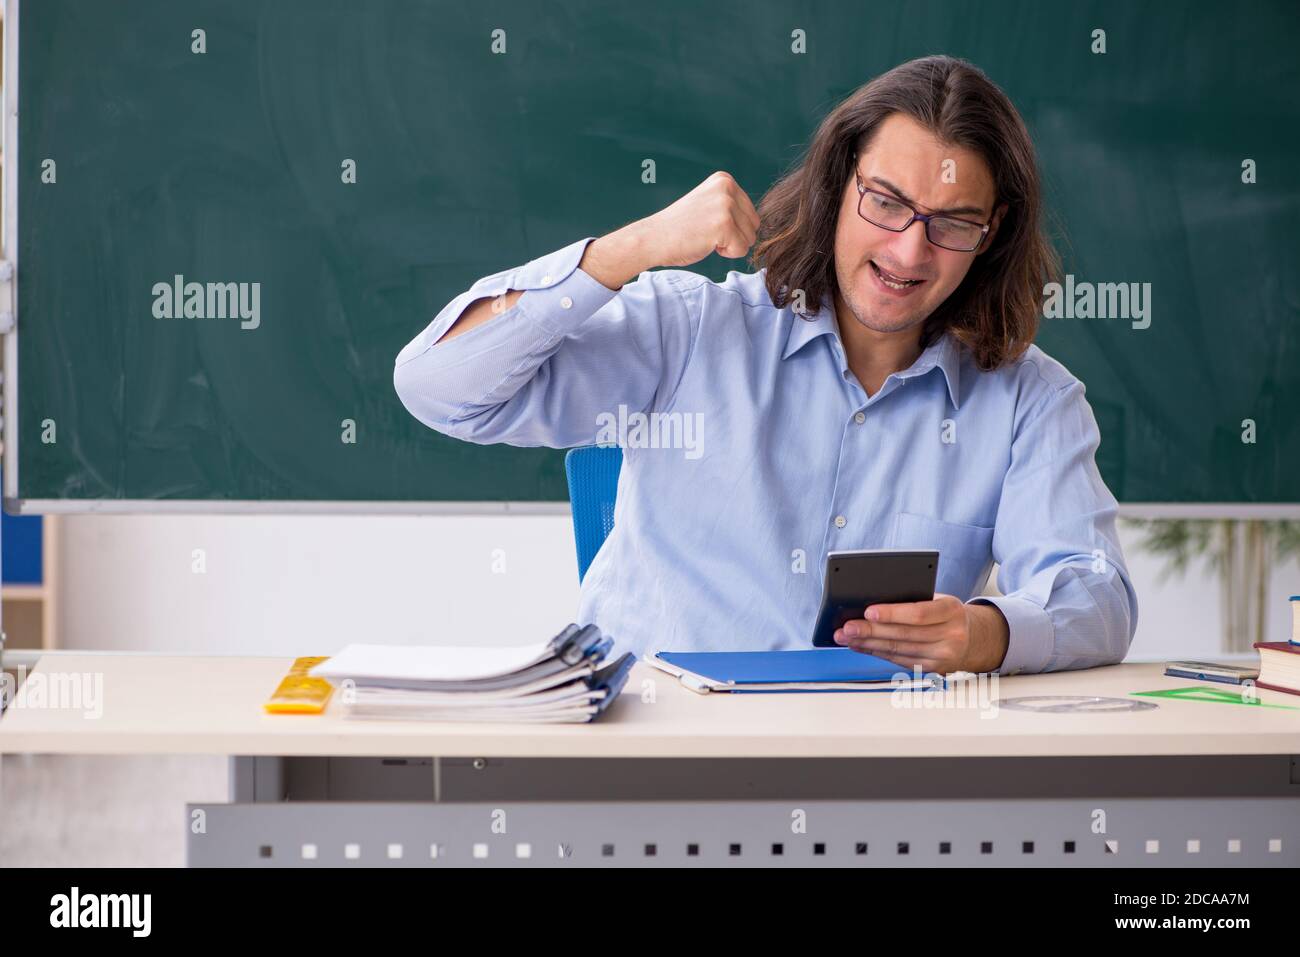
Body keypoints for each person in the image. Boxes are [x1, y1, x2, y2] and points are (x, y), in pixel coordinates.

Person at [394, 55, 1139, 675]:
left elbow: (1099, 597)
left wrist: (985, 634)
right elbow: (439, 388)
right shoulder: (690, 330)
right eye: (885, 201)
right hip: (650, 764)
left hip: (870, 788)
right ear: (839, 182)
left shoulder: (1029, 401)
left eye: (953, 223)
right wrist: (630, 249)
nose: (910, 251)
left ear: (994, 229)